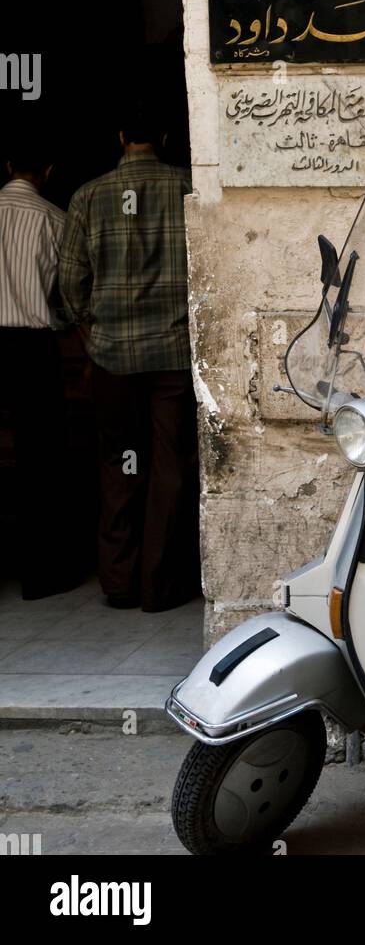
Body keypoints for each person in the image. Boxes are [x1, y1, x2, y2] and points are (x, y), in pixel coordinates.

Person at [59, 102, 200, 612]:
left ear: (121, 137)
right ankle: (157, 584)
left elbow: (71, 282)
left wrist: (89, 324)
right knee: (169, 466)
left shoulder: (87, 196)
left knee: (123, 463)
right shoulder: (185, 187)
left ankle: (119, 581)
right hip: (171, 355)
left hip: (113, 359)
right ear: (161, 135)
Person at [0, 139, 84, 598]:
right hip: (30, 347)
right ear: (47, 171)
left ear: (8, 164)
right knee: (40, 459)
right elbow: (69, 293)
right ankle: (41, 574)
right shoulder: (53, 218)